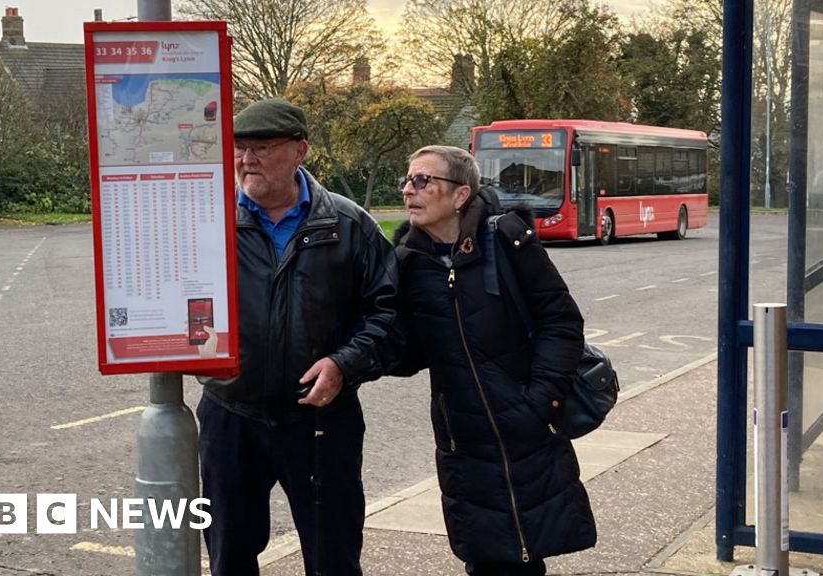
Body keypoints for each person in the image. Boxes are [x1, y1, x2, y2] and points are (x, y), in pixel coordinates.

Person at [197, 98, 401, 576]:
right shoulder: (208, 222)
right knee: (229, 554)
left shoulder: (348, 225)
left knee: (333, 556)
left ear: (300, 151)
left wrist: (344, 364)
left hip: (322, 421)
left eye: (261, 148)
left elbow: (389, 313)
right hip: (232, 414)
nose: (246, 160)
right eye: (239, 149)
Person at [391, 145, 596, 576]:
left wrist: (540, 401)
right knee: (485, 556)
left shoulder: (507, 240)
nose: (410, 190)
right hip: (463, 439)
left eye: (423, 180)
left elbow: (561, 321)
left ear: (460, 195)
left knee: (527, 552)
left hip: (525, 426)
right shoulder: (407, 263)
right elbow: (405, 353)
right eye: (407, 180)